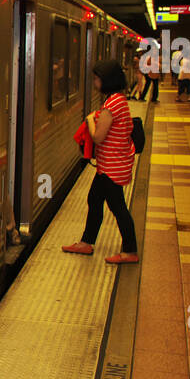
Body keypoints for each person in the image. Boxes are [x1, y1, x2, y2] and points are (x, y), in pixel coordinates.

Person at [62, 59, 137, 264]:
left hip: (112, 167)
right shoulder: (118, 100)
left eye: (97, 79)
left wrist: (89, 120)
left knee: (118, 208)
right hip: (110, 164)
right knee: (94, 199)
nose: (95, 83)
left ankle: (130, 251)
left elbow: (98, 137)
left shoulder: (112, 104)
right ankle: (86, 242)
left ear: (107, 80)